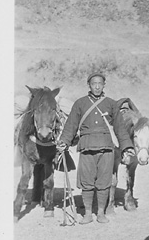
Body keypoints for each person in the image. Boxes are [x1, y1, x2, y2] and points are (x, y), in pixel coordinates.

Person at [57, 73, 134, 224]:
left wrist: (126, 146)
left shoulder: (111, 104)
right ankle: (87, 213)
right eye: (94, 84)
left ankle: (100, 213)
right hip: (86, 147)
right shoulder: (80, 103)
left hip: (106, 148)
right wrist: (64, 141)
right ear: (89, 85)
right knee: (86, 182)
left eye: (100, 83)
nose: (97, 86)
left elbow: (119, 128)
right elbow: (71, 125)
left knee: (104, 182)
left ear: (104, 85)